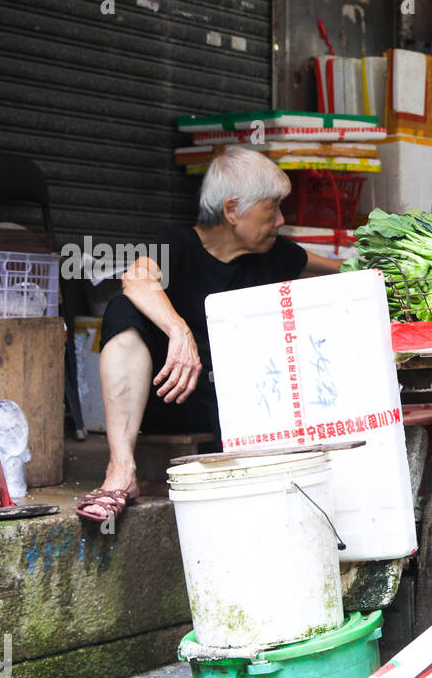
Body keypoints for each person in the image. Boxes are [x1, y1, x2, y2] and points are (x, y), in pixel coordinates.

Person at [75, 147, 344, 521]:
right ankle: (120, 472)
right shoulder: (179, 246)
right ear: (232, 211)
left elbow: (340, 271)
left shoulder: (273, 254)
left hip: (240, 407)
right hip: (171, 396)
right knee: (124, 310)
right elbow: (134, 277)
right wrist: (178, 330)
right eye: (272, 209)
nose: (281, 220)